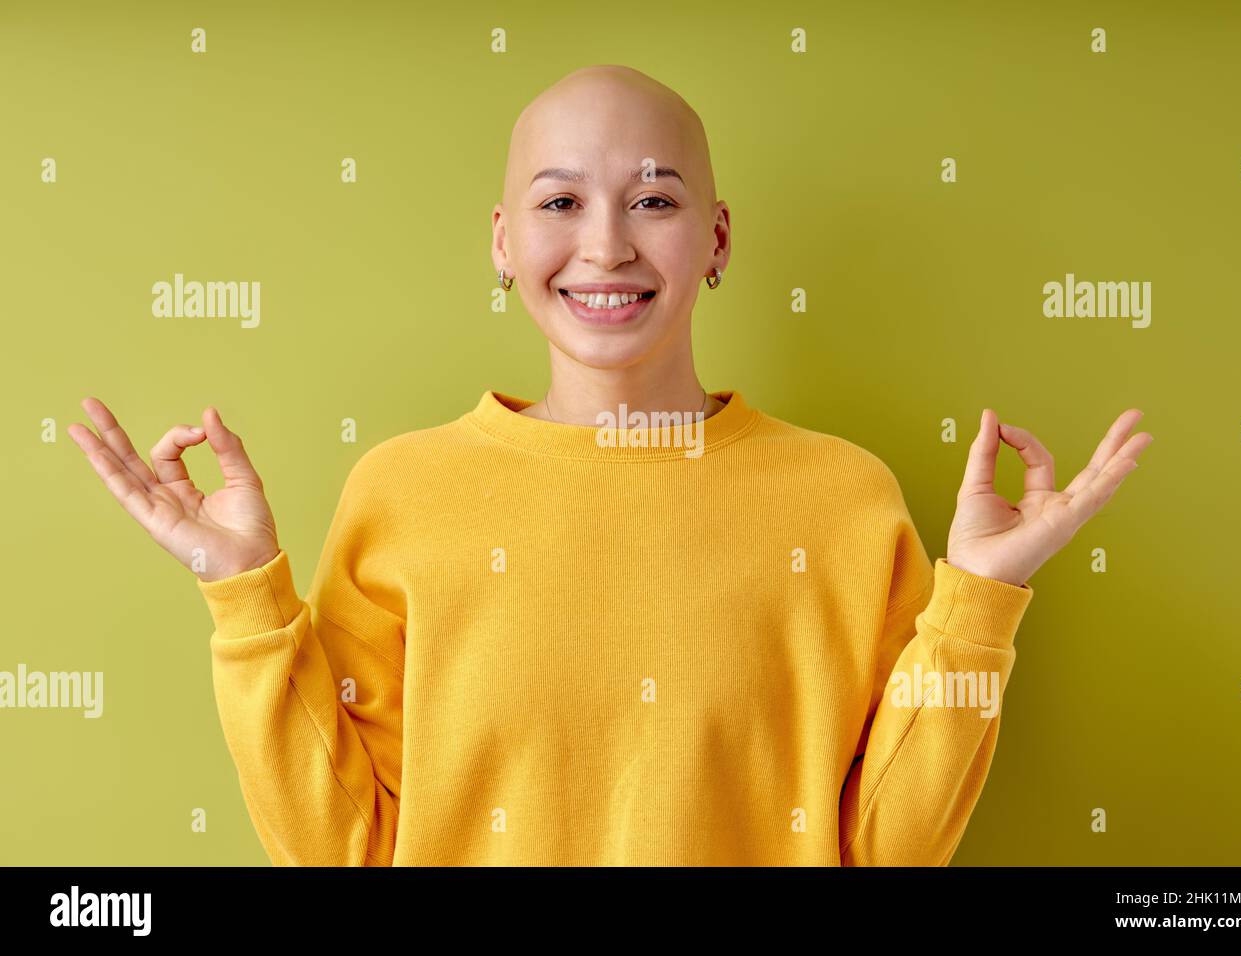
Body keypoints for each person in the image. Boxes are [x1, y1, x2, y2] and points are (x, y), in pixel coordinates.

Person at [67, 64, 1153, 866]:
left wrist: (982, 595)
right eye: (559, 202)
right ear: (502, 241)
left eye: (653, 199)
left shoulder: (844, 499)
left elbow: (883, 845)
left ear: (717, 238)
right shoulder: (400, 494)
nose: (605, 246)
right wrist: (245, 598)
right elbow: (348, 847)